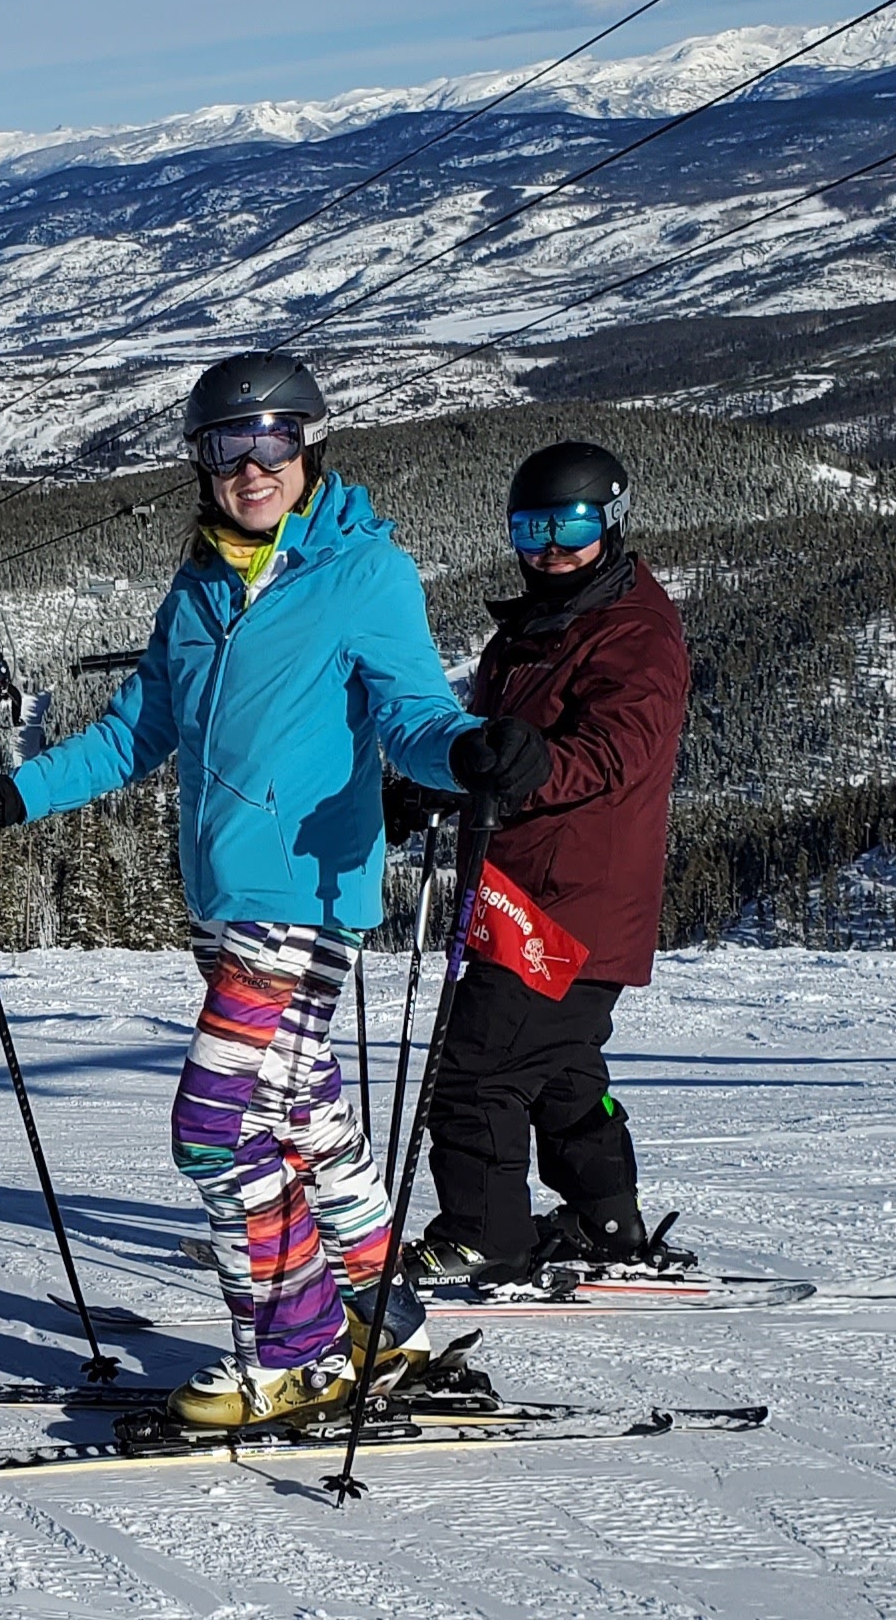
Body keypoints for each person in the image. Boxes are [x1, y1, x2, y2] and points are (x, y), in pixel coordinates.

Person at [0, 354, 550, 1429]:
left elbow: (409, 716)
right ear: (201, 461)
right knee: (307, 1123)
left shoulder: (361, 572)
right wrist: (3, 797)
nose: (253, 465)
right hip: (221, 898)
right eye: (228, 445)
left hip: (300, 897)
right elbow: (133, 733)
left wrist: (473, 750)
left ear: (308, 446)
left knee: (213, 1126)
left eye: (275, 441)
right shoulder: (198, 584)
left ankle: (292, 1350)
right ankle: (384, 1329)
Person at [392, 440, 690, 1285]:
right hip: (534, 892)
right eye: (532, 527)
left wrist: (524, 768)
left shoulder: (633, 632)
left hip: (569, 905)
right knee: (558, 1071)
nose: (550, 547)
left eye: (572, 525)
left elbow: (612, 751)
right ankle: (608, 1217)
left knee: (476, 1069)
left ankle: (485, 1235)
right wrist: (441, 787)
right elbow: (507, 749)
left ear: (614, 521)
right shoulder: (547, 621)